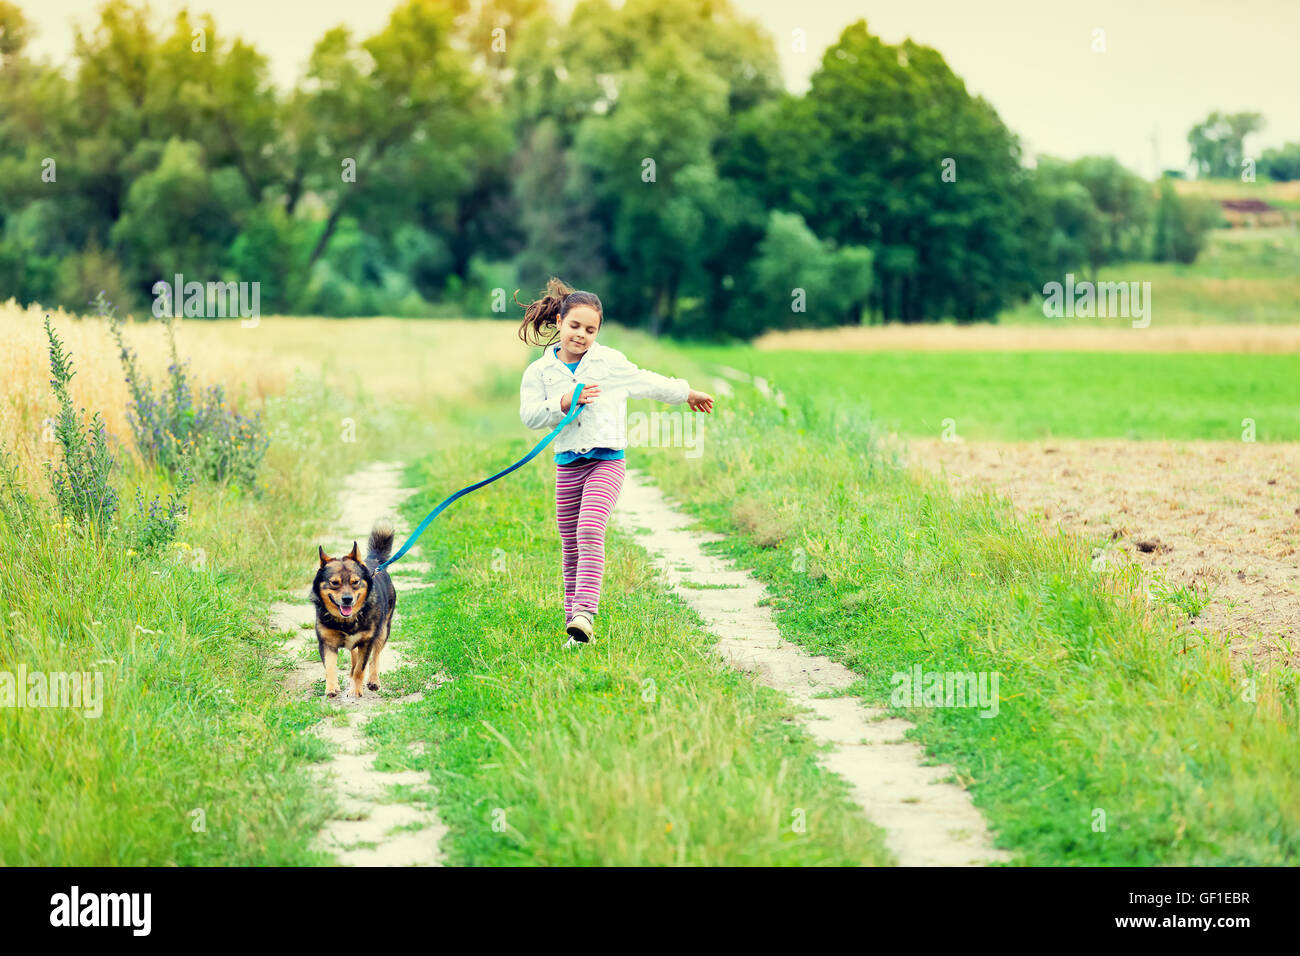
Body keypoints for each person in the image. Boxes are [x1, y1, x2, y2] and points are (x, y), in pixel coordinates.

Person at [517, 278, 714, 647]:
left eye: (590, 329)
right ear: (559, 322)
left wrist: (686, 393)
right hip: (567, 464)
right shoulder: (540, 372)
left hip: (606, 462)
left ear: (598, 332)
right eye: (575, 326)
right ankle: (574, 633)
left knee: (590, 528)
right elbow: (529, 416)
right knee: (570, 546)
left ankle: (585, 613)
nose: (581, 335)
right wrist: (562, 401)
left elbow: (647, 382)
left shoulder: (608, 363)